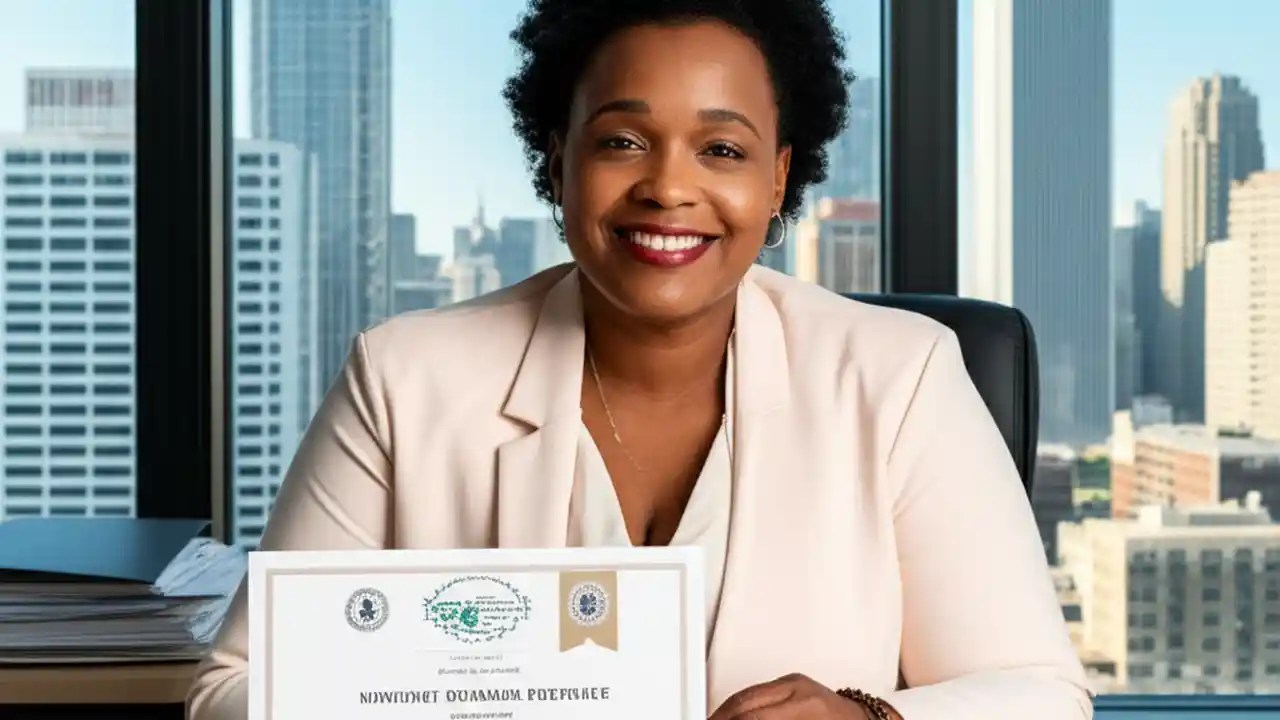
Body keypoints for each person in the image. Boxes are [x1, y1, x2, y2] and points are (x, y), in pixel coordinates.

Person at [187, 0, 1093, 718]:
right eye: (622, 140)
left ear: (777, 178)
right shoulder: (402, 380)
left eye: (722, 149)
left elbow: (1039, 694)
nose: (667, 185)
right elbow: (233, 687)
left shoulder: (901, 377)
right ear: (558, 158)